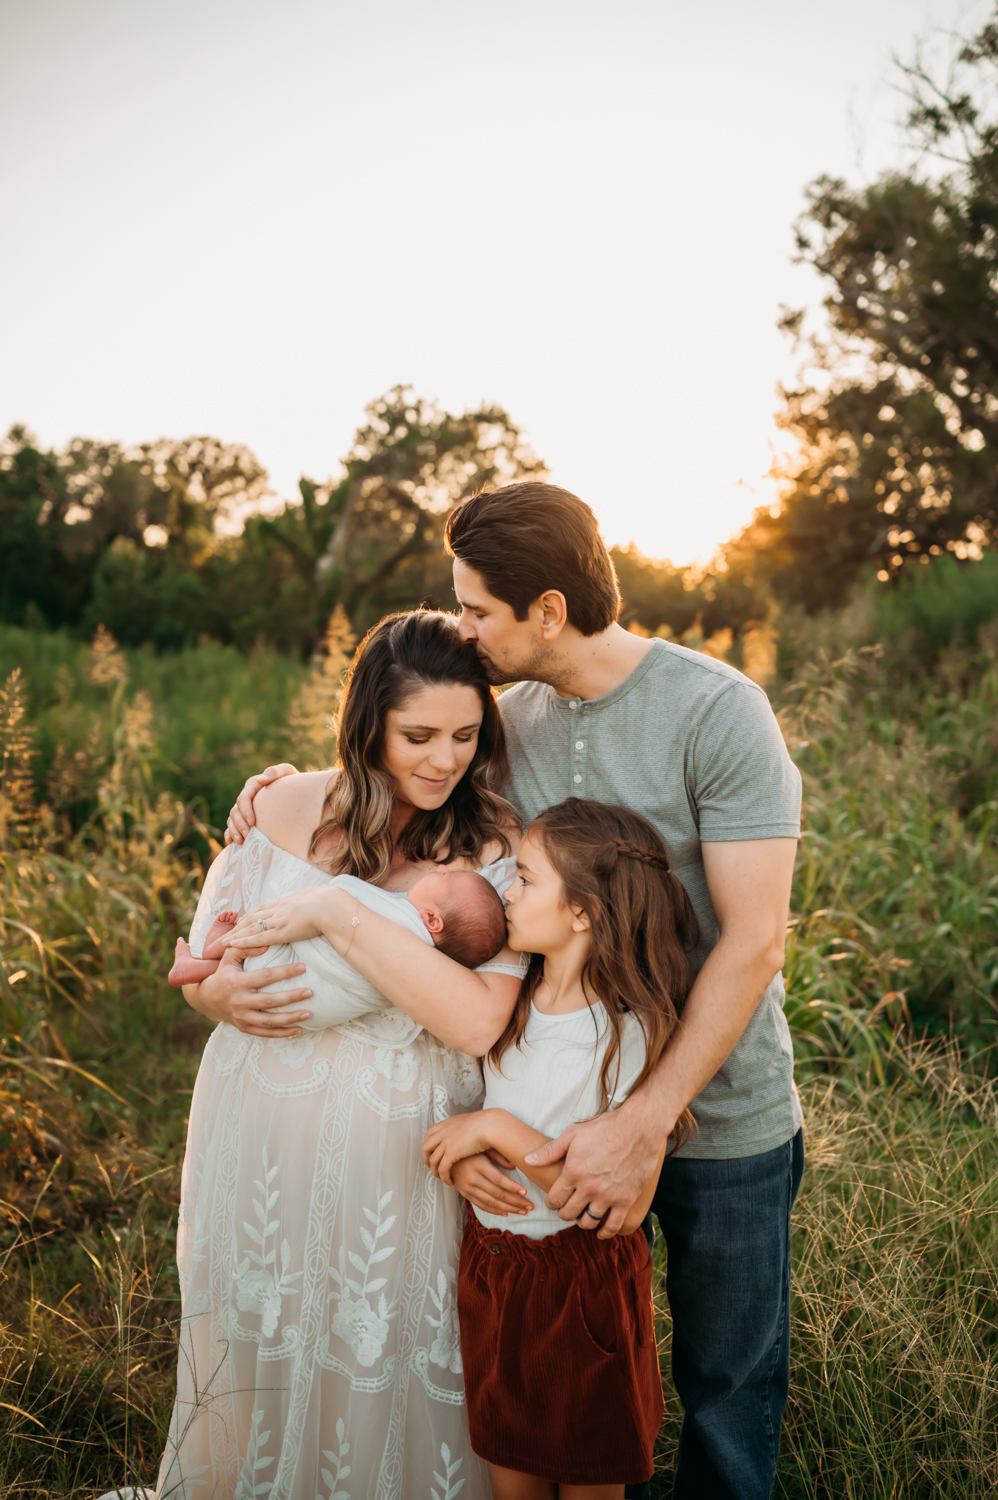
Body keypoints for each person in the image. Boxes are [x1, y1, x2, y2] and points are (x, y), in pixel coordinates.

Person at [230, 482, 803, 1500]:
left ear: (547, 610)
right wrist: (281, 791)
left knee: (725, 1382)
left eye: (477, 608)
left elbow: (754, 943)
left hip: (714, 1112)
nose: (461, 626)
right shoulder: (502, 724)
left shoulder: (716, 711)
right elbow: (419, 828)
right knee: (558, 1378)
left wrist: (644, 1120)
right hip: (549, 1114)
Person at [154, 610, 530, 1500]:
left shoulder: (494, 850)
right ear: (368, 728)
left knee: (383, 1332)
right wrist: (215, 994)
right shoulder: (283, 806)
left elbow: (479, 1024)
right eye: (418, 736)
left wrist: (344, 918)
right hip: (262, 1119)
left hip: (402, 1146)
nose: (445, 760)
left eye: (467, 736)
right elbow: (207, 952)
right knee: (268, 1319)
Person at [422, 799, 699, 1500]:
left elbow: (604, 1204)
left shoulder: (625, 1031)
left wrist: (489, 1130)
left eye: (526, 880)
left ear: (582, 912)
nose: (505, 893)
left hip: (581, 1288)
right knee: (509, 1470)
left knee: (588, 1479)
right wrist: (465, 1165)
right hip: (494, 1271)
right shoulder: (513, 1002)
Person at [167, 864, 508, 993]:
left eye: (446, 878)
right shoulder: (424, 957)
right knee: (263, 967)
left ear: (433, 920)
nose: (442, 868)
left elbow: (343, 897)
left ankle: (213, 952)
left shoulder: (402, 923)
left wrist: (333, 902)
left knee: (266, 938)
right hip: (300, 990)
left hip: (304, 968)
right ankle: (201, 965)